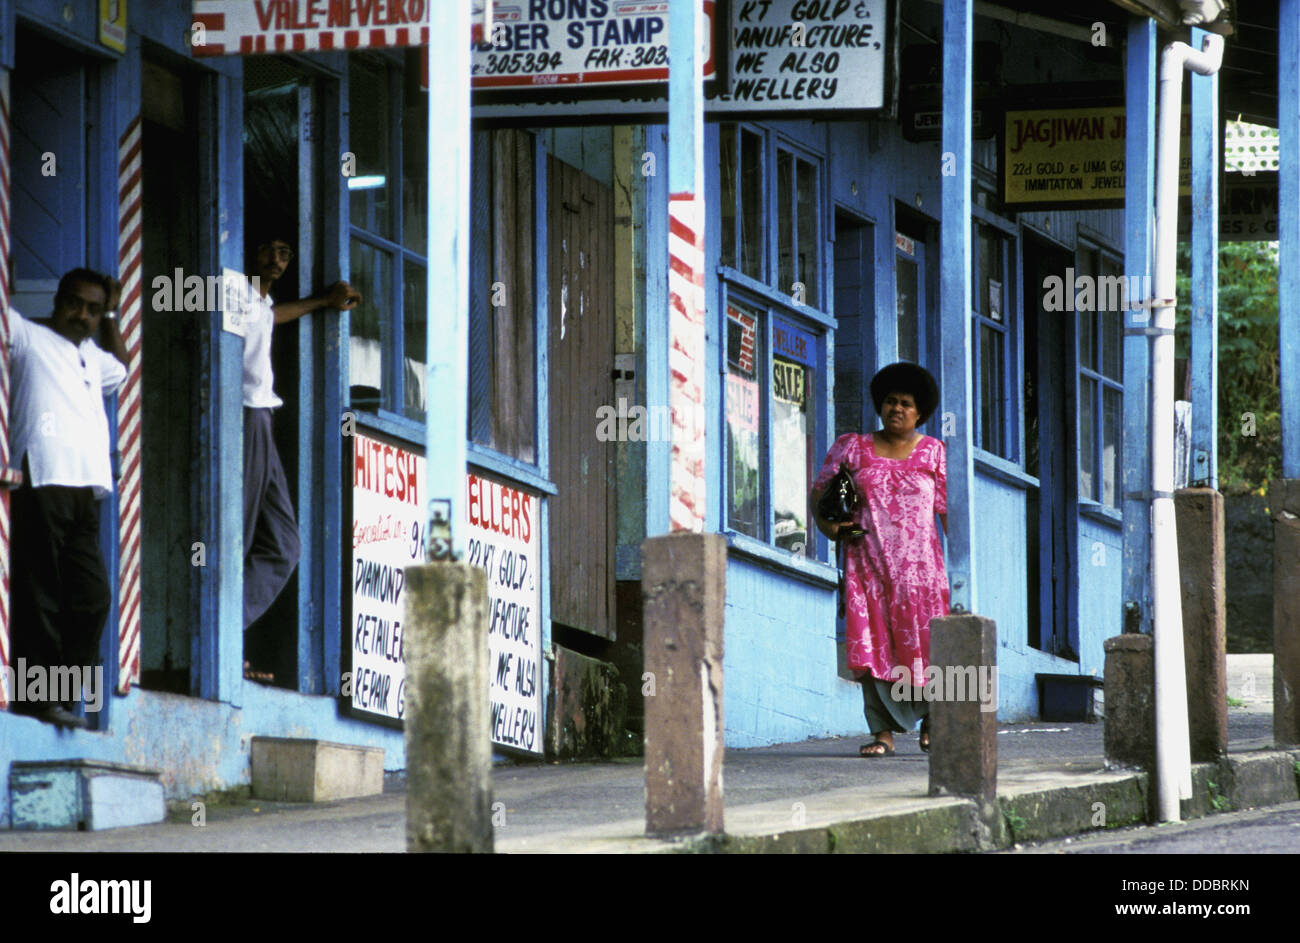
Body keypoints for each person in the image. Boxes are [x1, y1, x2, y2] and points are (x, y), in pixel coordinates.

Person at [7, 268, 129, 728]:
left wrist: (114, 314)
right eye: (75, 303)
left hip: (87, 488)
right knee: (41, 593)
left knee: (92, 597)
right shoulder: (27, 337)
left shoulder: (93, 357)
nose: (82, 315)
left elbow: (122, 368)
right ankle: (37, 699)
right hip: (41, 476)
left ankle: (59, 693)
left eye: (93, 309)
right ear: (58, 301)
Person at [811, 362, 949, 757]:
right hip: (867, 568)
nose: (897, 409)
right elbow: (820, 497)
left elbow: (950, 513)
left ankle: (932, 724)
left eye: (906, 404)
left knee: (927, 648)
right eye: (890, 401)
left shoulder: (934, 453)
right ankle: (882, 733)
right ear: (880, 404)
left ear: (920, 412)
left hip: (921, 574)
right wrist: (835, 531)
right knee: (873, 651)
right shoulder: (852, 447)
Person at [238, 237, 360, 680]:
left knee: (284, 545)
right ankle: (228, 646)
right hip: (244, 414)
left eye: (285, 254)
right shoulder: (231, 288)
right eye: (268, 250)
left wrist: (325, 301)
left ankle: (231, 630)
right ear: (250, 251)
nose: (276, 260)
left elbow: (271, 317)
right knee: (240, 534)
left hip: (262, 415)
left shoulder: (258, 301)